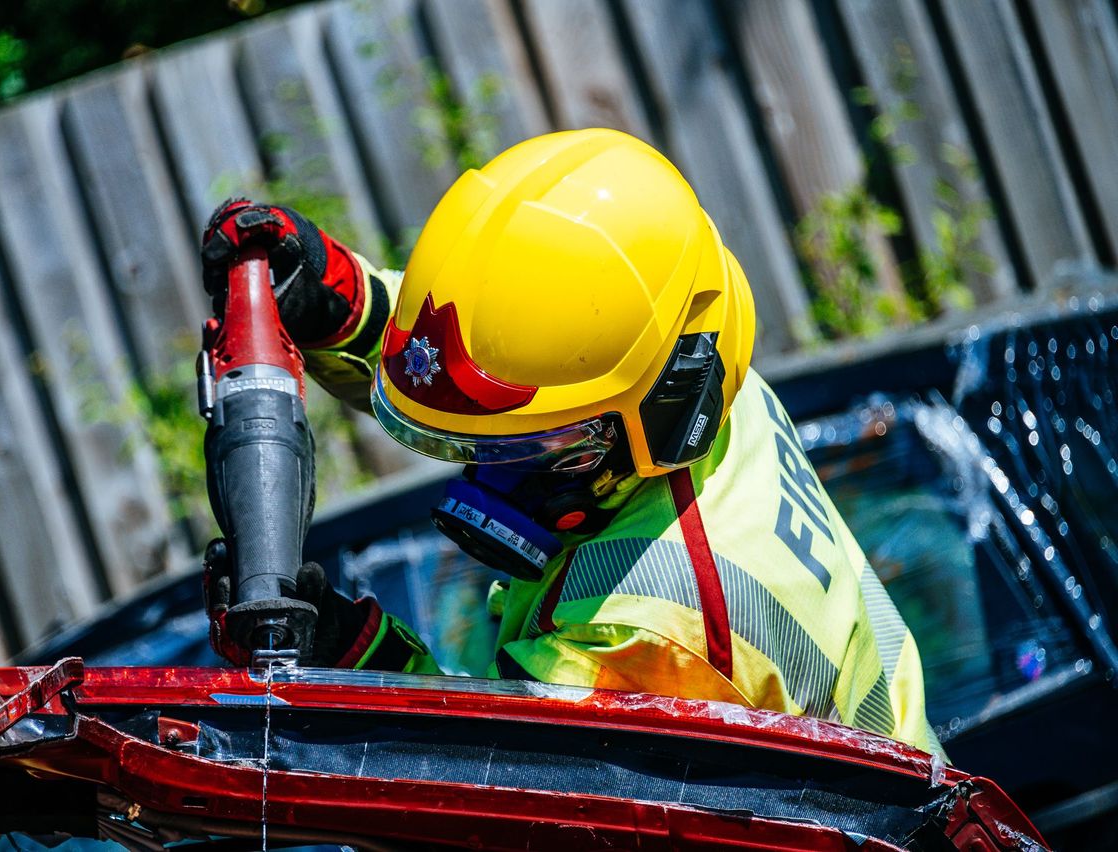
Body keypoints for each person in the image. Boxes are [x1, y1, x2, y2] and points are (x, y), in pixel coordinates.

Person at [200, 128, 942, 755]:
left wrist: (350, 659)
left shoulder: (653, 626)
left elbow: (494, 783)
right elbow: (496, 362)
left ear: (663, 409)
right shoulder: (696, 370)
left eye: (528, 448)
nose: (487, 474)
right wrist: (344, 303)